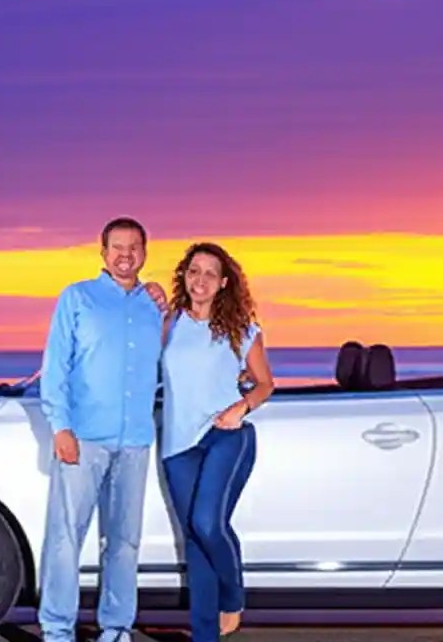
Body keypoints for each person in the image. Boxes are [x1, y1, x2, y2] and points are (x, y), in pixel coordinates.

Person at [36, 216, 168, 642]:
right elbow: (55, 367)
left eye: (133, 247)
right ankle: (57, 630)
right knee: (64, 539)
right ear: (103, 253)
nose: (125, 255)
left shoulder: (154, 307)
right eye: (117, 247)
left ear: (145, 253)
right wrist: (61, 427)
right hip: (84, 438)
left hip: (135, 441)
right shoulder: (77, 298)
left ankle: (116, 629)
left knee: (124, 542)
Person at [159, 242, 275, 641]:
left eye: (210, 273)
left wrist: (240, 407)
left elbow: (264, 384)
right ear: (184, 276)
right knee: (193, 537)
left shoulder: (241, 329)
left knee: (208, 524)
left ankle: (233, 596)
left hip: (224, 435)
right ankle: (204, 636)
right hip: (176, 444)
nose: (201, 279)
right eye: (194, 271)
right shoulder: (169, 323)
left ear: (224, 283)